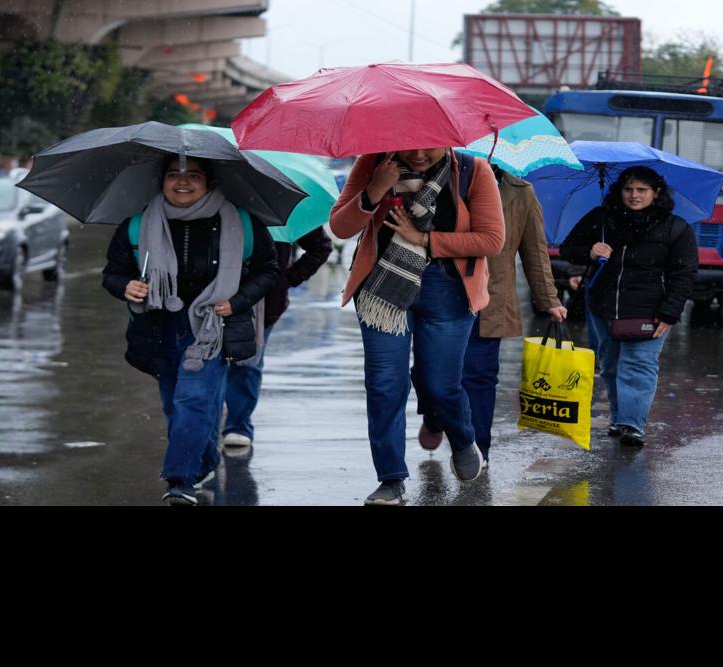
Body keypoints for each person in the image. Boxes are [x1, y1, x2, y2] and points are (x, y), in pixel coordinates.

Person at [329, 146, 505, 506]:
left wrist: (424, 240)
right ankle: (391, 478)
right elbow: (340, 227)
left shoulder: (472, 170)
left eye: (431, 144)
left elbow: (491, 239)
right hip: (382, 289)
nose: (421, 154)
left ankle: (461, 436)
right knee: (384, 385)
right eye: (412, 145)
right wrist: (375, 189)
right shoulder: (374, 162)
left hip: (447, 287)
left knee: (440, 386)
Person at [100, 155, 281, 506]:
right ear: (162, 180)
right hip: (159, 325)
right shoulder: (137, 225)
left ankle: (180, 481)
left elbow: (268, 270)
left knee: (193, 399)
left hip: (213, 325)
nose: (183, 182)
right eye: (174, 175)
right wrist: (126, 286)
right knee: (173, 403)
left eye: (194, 175)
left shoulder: (241, 222)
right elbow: (113, 272)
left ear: (209, 181)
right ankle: (205, 459)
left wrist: (238, 300)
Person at [413, 165, 565, 469]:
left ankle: (476, 447)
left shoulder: (520, 192)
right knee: (430, 373)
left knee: (480, 377)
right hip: (442, 291)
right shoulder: (434, 178)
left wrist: (549, 299)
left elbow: (534, 248)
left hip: (490, 299)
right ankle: (434, 414)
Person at [557, 166, 698, 448]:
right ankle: (619, 418)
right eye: (628, 189)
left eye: (641, 190)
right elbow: (568, 249)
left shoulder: (676, 228)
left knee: (639, 365)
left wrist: (670, 312)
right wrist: (590, 251)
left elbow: (684, 274)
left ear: (656, 193)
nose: (634, 196)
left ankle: (633, 425)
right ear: (619, 191)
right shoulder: (601, 219)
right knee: (610, 365)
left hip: (649, 310)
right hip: (602, 306)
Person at [220, 226, 333, 450]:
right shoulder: (216, 201)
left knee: (247, 363)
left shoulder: (280, 205)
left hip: (264, 302)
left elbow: (320, 246)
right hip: (210, 298)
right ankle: (206, 424)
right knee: (206, 362)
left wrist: (285, 280)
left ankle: (238, 425)